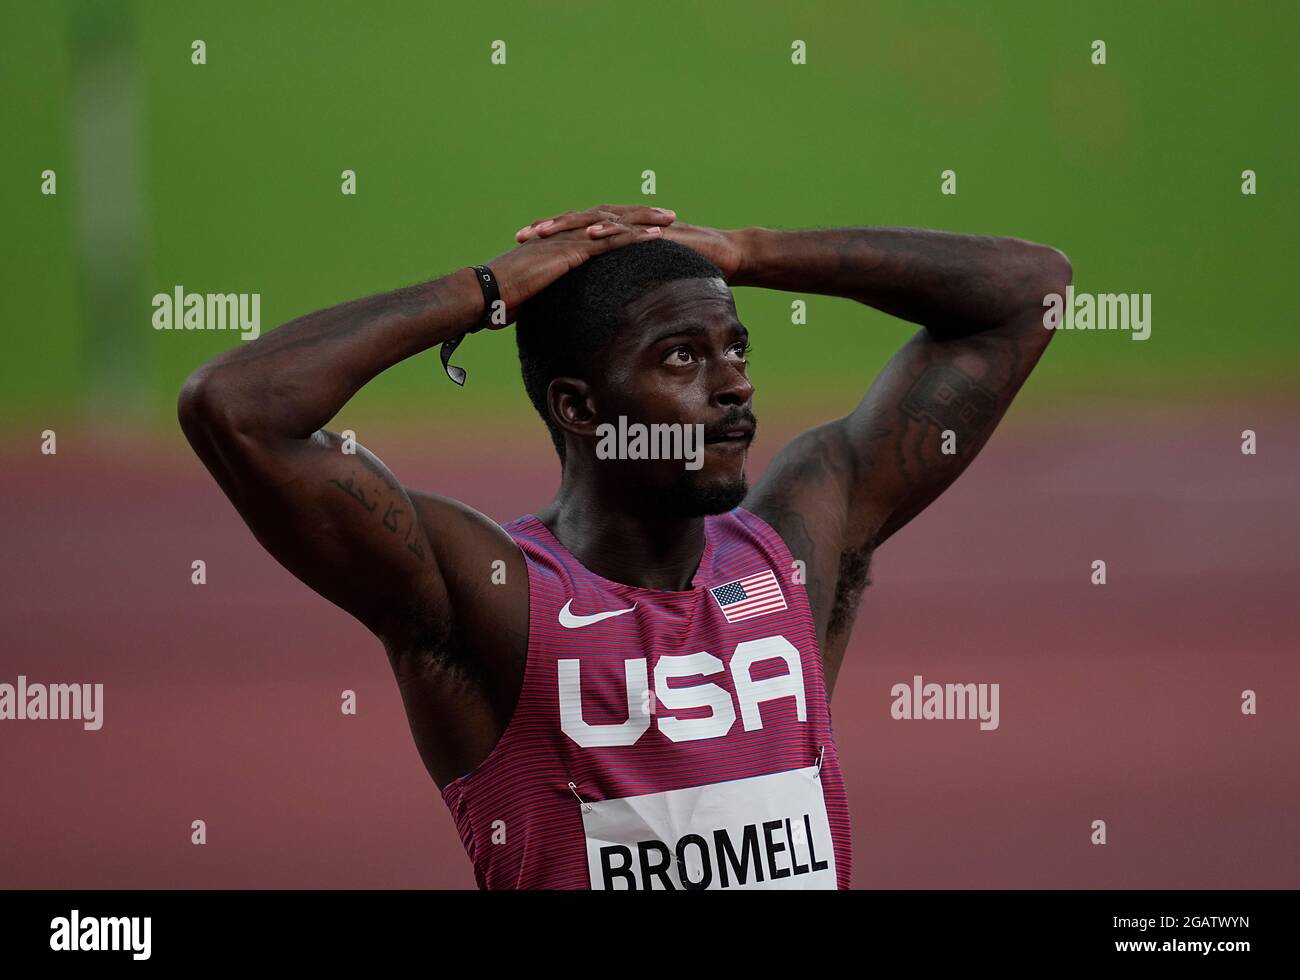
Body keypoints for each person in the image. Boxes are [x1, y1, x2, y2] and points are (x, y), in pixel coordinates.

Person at [178, 204, 1070, 889]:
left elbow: (1031, 290)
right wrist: (489, 291)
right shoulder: (491, 594)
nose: (734, 385)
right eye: (680, 358)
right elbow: (238, 407)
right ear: (578, 407)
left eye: (735, 347)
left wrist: (744, 253)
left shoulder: (792, 553)